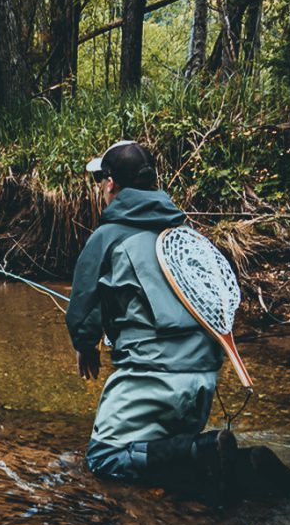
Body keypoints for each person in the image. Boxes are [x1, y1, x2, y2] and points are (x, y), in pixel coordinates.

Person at [65, 140, 239, 495]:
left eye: (101, 180)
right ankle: (198, 456)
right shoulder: (187, 236)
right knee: (161, 450)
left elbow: (82, 309)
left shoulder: (106, 238)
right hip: (205, 379)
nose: (100, 188)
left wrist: (85, 346)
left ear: (111, 183)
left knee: (103, 458)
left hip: (155, 378)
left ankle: (201, 453)